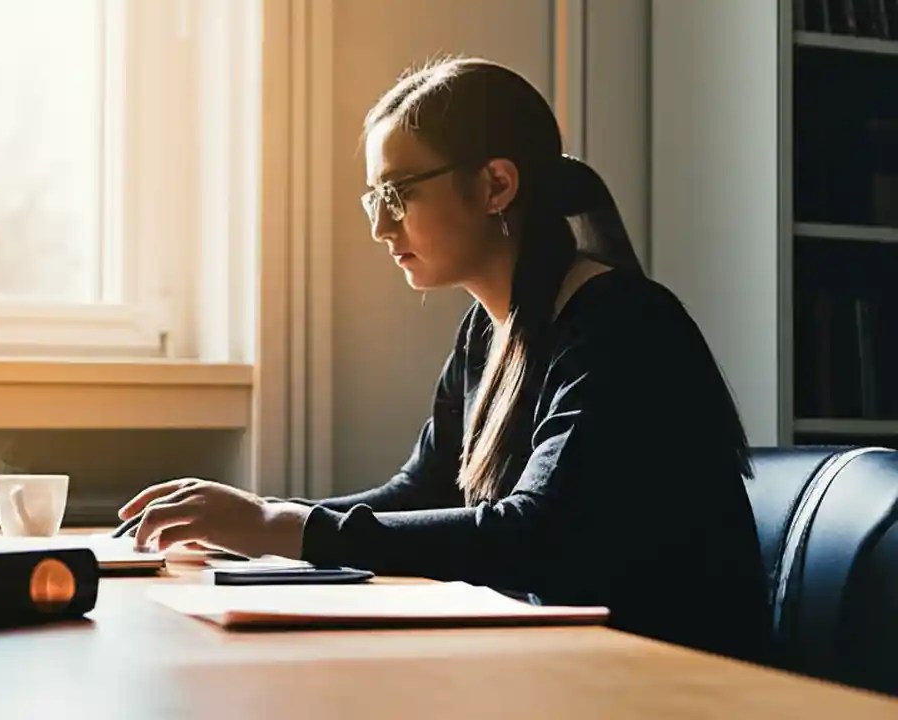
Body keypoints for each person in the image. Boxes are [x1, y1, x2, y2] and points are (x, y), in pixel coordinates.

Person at [118, 57, 769, 661]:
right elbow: (423, 491)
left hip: (665, 684)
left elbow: (532, 534)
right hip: (560, 668)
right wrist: (254, 528)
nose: (380, 227)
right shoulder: (486, 334)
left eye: (397, 194)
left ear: (496, 184)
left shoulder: (623, 325)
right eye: (374, 199)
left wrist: (279, 527)